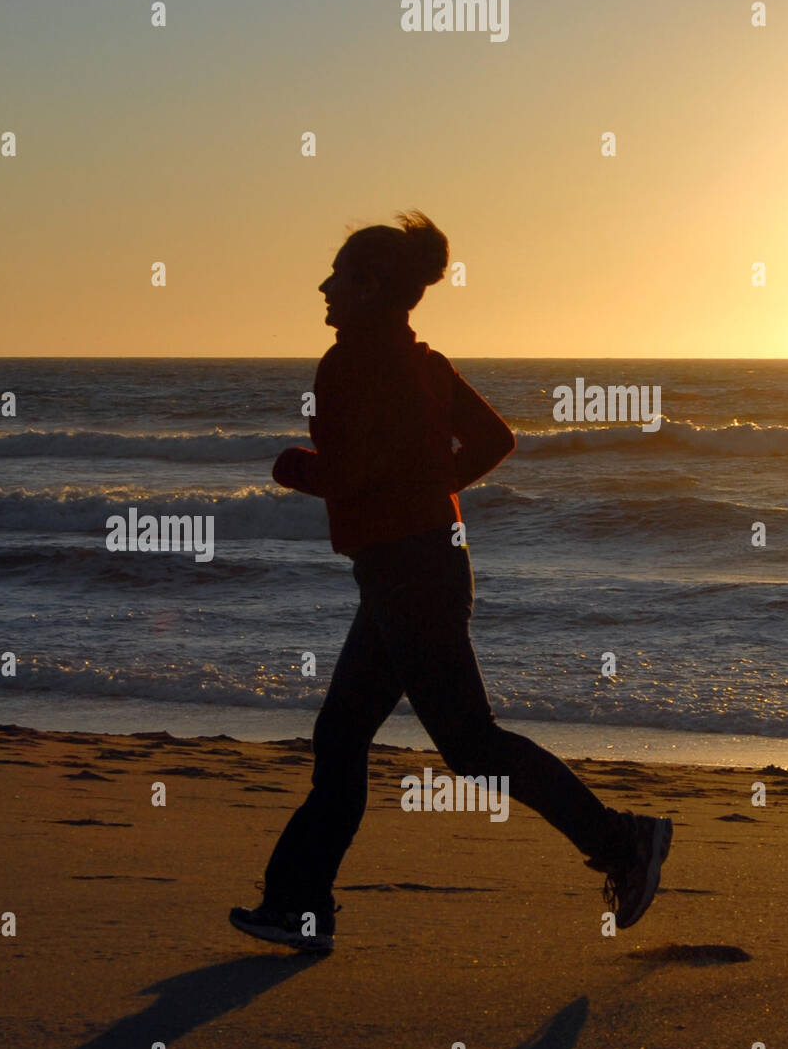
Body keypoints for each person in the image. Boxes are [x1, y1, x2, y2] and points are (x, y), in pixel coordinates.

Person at [231, 211, 672, 954]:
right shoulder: (424, 364)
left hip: (406, 574)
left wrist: (290, 467)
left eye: (337, 275)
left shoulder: (347, 363)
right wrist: (428, 493)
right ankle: (297, 907)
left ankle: (622, 841)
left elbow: (346, 475)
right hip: (422, 564)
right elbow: (496, 440)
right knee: (344, 734)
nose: (324, 287)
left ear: (369, 286)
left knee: (468, 743)